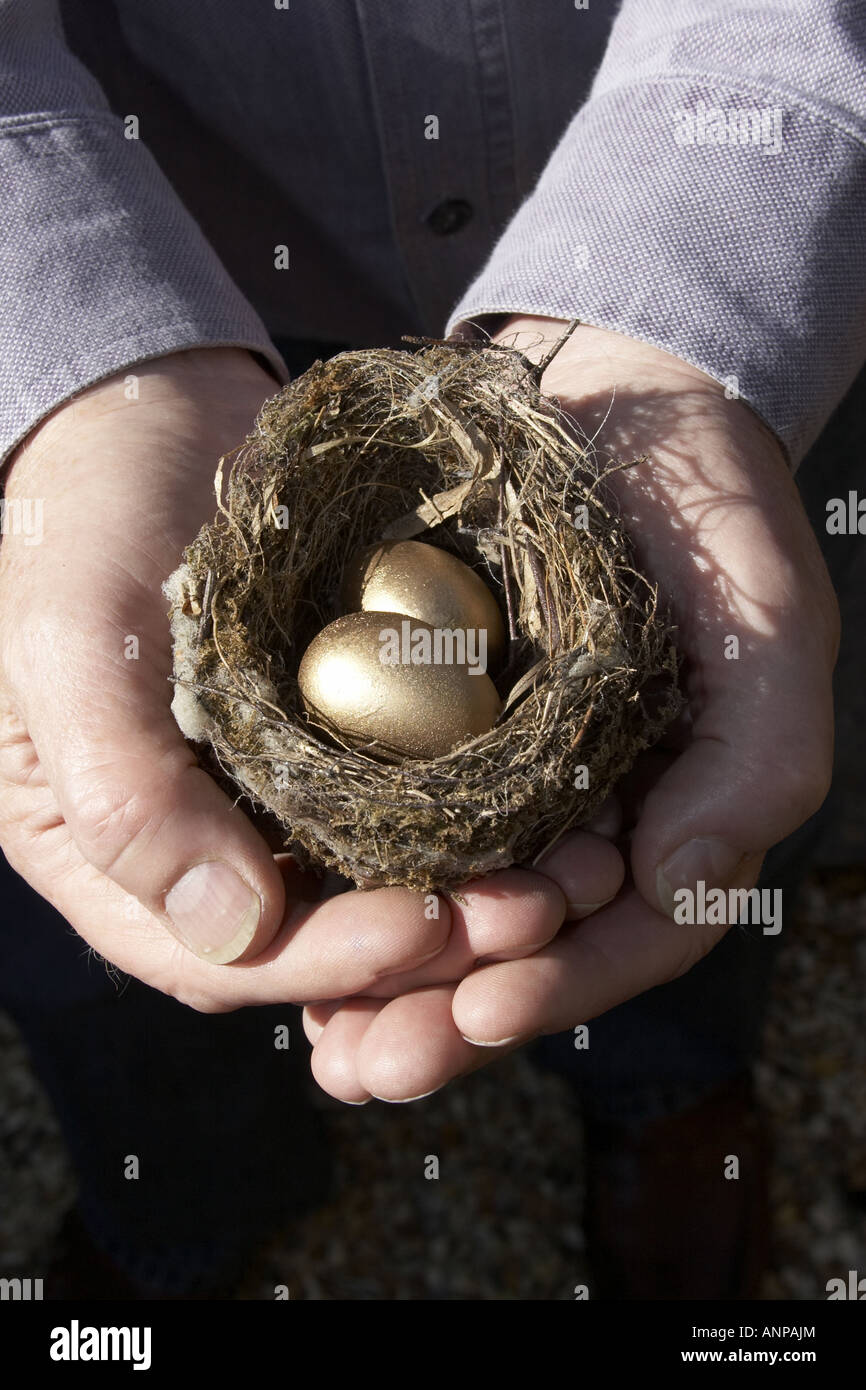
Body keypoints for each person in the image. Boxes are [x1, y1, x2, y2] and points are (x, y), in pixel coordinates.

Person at [0, 0, 859, 1298]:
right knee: (104, 853)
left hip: (680, 290)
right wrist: (63, 368)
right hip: (176, 243)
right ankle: (177, 1211)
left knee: (691, 750)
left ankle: (665, 1083)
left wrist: (705, 264)